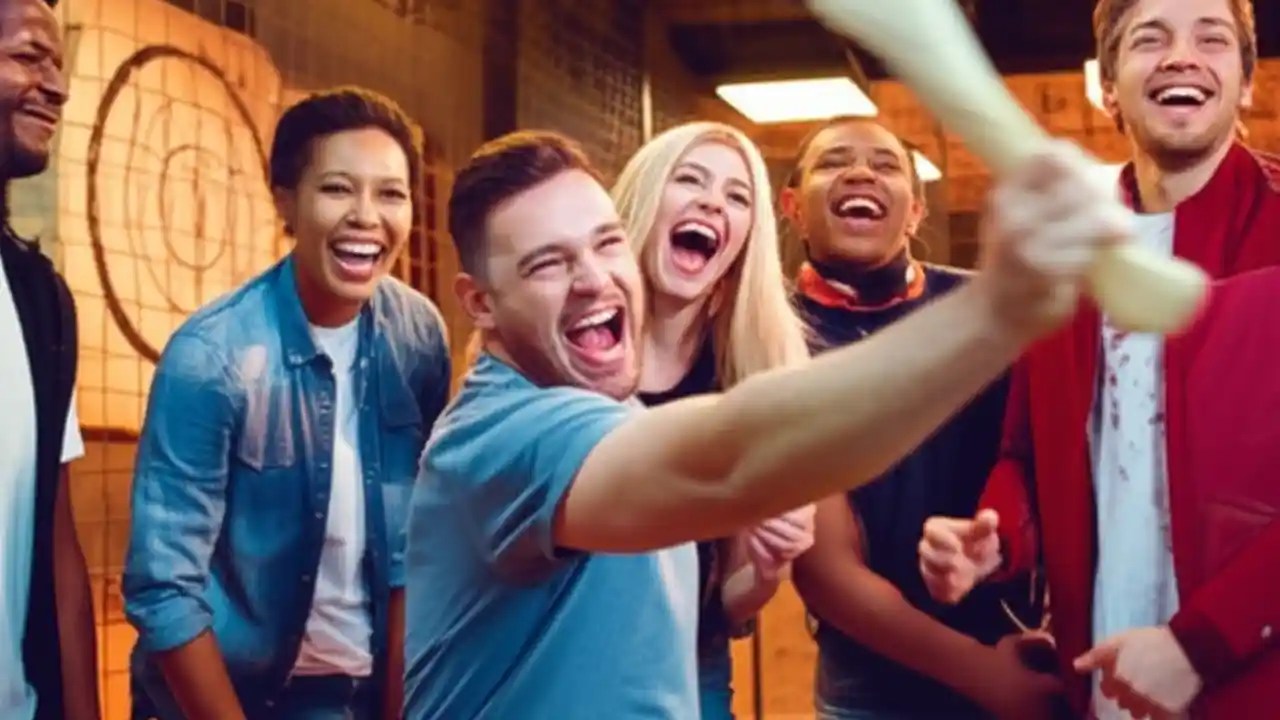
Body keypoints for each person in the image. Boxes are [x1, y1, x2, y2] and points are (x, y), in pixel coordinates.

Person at [400, 125, 1129, 719]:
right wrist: (997, 308)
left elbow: (690, 611)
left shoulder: (612, 395)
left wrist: (757, 570)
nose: (594, 277)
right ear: (482, 303)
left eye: (603, 243)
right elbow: (731, 459)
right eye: (547, 264)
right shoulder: (508, 434)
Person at [918, 1, 1280, 717]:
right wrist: (994, 536)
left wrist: (1200, 643)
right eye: (1150, 39)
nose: (1182, 56)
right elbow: (1025, 453)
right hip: (1105, 681)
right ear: (1107, 85)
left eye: (1212, 39)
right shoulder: (1066, 256)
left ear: (1245, 85)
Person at [122, 87, 452, 720]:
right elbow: (163, 588)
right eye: (336, 189)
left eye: (390, 193)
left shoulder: (418, 337)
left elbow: (419, 545)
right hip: (224, 699)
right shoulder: (210, 357)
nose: (366, 215)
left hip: (359, 695)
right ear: (286, 203)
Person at [782, 116, 1059, 720]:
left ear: (915, 211)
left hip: (1016, 651)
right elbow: (825, 571)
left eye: (885, 165)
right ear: (793, 205)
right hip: (872, 687)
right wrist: (982, 675)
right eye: (834, 163)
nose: (860, 172)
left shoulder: (991, 312)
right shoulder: (771, 336)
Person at [612, 121, 815, 720]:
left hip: (688, 667)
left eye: (737, 195)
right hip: (566, 661)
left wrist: (769, 565)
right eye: (690, 179)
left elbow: (729, 606)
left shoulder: (750, 372)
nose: (711, 201)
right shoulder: (575, 343)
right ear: (644, 198)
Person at [0, 1, 99, 718]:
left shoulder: (41, 301)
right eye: (30, 56)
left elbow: (60, 549)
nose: (57, 86)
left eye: (58, 64)